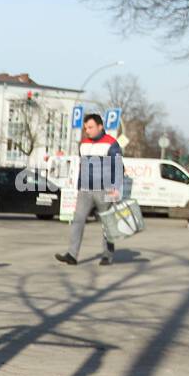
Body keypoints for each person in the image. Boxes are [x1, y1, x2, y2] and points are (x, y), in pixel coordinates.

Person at [55, 113, 121, 266]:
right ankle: (72, 255)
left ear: (100, 126)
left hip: (105, 189)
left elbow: (117, 167)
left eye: (91, 127)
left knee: (107, 223)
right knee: (77, 220)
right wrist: (78, 186)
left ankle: (107, 255)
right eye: (86, 128)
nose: (88, 131)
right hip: (85, 189)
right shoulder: (83, 144)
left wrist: (116, 188)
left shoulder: (111, 143)